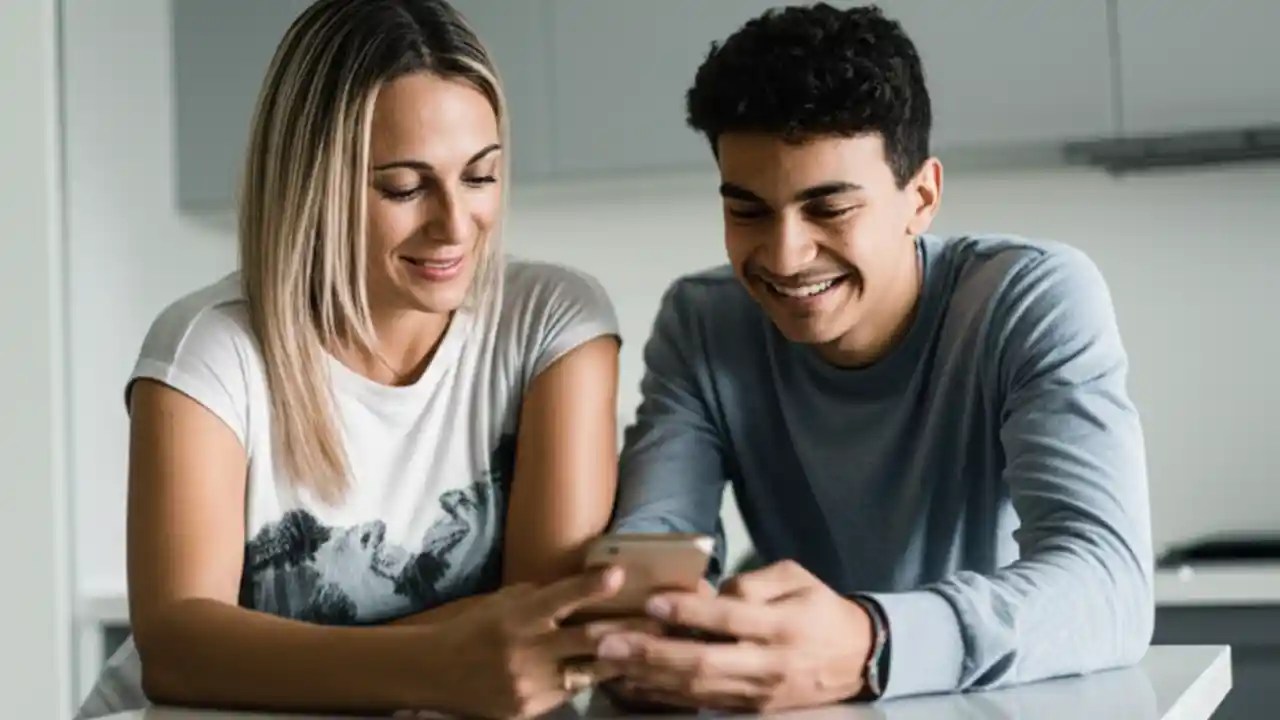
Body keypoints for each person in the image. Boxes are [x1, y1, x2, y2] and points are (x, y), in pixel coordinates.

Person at [76, 1, 635, 717]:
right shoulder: (207, 351)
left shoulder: (555, 322)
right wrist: (442, 661)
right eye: (404, 187)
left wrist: (270, 656)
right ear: (313, 183)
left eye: (480, 176)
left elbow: (538, 628)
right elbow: (179, 649)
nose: (455, 225)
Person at [600, 3, 1154, 712]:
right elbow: (654, 553)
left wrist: (872, 641)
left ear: (920, 197)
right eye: (747, 211)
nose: (784, 255)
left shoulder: (1030, 298)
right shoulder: (702, 322)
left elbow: (1108, 585)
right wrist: (649, 624)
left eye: (829, 208)